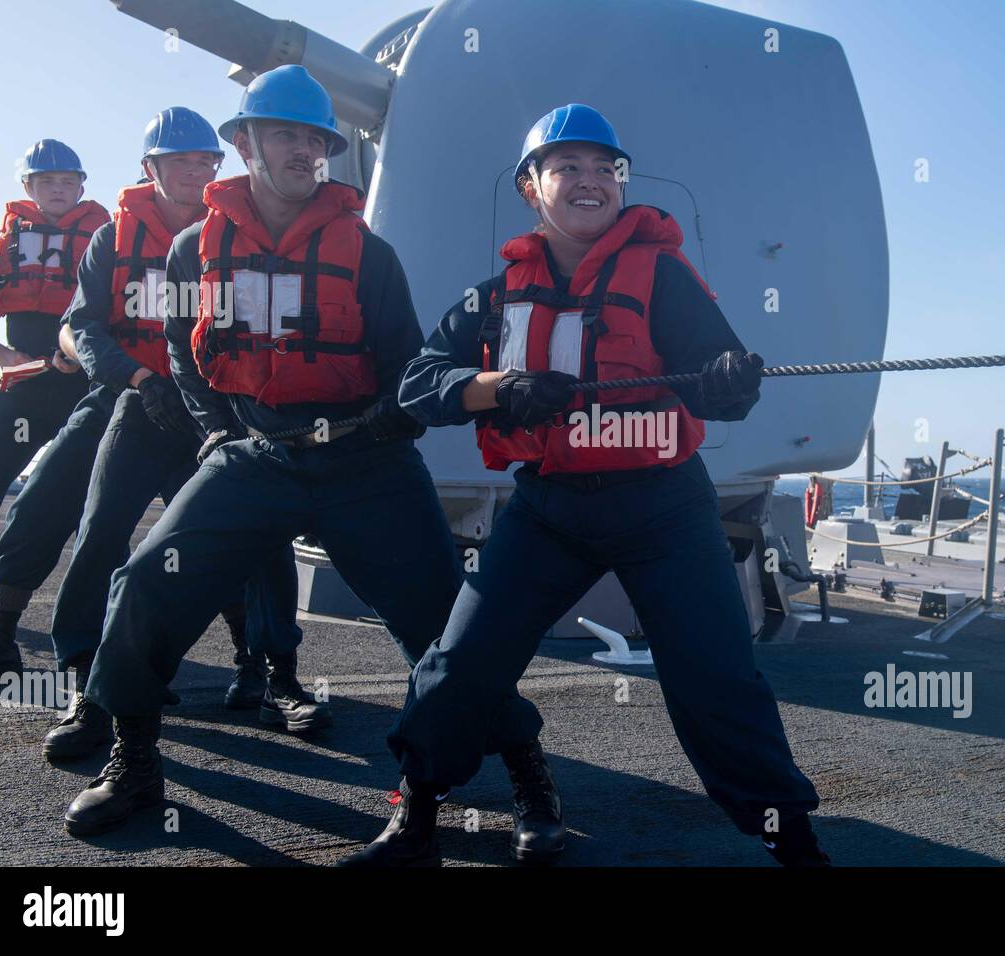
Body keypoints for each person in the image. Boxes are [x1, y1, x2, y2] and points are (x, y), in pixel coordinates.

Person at [63, 67, 554, 843]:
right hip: (256, 454)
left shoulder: (367, 253)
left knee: (445, 624)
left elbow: (406, 366)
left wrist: (384, 431)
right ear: (246, 143)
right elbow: (184, 352)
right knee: (148, 582)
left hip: (364, 461)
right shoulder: (194, 252)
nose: (304, 150)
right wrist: (216, 432)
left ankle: (529, 776)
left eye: (315, 140)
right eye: (285, 134)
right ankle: (135, 761)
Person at [348, 104, 828, 867]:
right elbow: (418, 384)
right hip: (551, 508)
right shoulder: (494, 296)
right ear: (531, 187)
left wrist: (729, 380)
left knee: (717, 680)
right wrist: (499, 387)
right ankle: (416, 823)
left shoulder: (664, 277)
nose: (590, 179)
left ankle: (795, 845)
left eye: (606, 168)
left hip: (664, 506)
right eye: (567, 166)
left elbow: (719, 381)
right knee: (460, 664)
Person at [16, 108, 310, 761]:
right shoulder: (111, 240)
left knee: (261, 537)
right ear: (150, 168)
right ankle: (89, 681)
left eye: (206, 161)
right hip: (143, 402)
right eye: (181, 161)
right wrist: (139, 380)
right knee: (101, 530)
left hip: (223, 408)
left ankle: (270, 674)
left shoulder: (239, 232)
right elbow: (84, 327)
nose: (196, 171)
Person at [0, 141, 108, 671]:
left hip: (88, 389)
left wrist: (86, 357)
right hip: (24, 384)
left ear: (82, 186)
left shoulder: (106, 238)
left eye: (68, 180)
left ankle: (98, 642)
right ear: (27, 187)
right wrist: (4, 357)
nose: (58, 188)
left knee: (93, 507)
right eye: (46, 180)